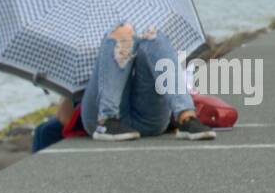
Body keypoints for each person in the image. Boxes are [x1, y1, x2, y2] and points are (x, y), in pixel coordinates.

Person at [82, 23, 215, 141]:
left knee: (155, 36)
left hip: (147, 119)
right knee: (122, 32)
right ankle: (107, 121)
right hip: (99, 114)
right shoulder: (88, 30)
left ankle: (186, 117)